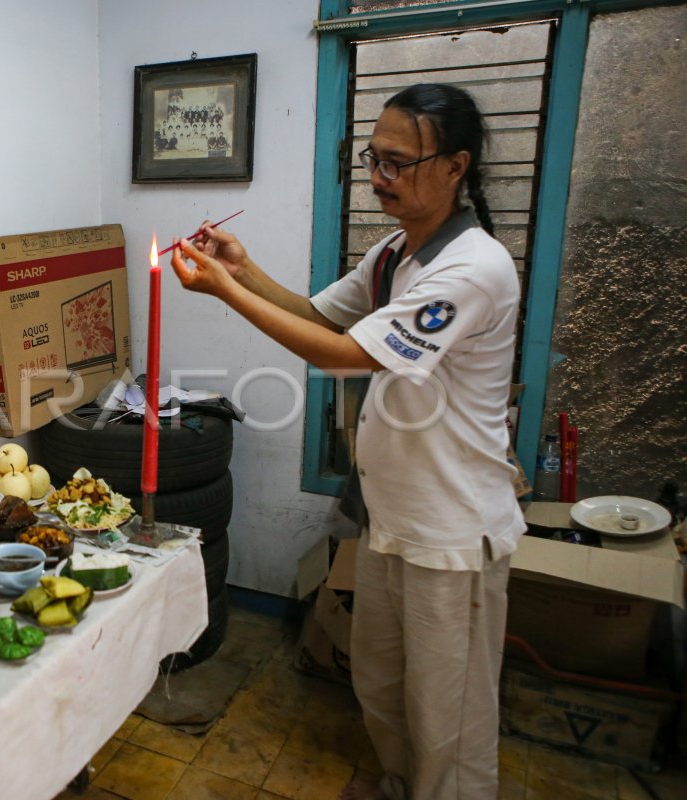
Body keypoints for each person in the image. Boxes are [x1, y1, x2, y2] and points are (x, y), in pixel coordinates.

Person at [169, 83, 523, 800]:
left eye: (398, 163)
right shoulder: (397, 252)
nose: (378, 179)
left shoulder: (472, 269)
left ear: (456, 167)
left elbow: (341, 358)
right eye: (373, 159)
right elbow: (322, 319)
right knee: (385, 682)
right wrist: (243, 270)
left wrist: (221, 292)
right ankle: (400, 786)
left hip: (451, 529)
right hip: (394, 517)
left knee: (448, 713)